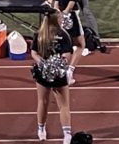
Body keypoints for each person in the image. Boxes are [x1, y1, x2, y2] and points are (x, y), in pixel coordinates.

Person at [31, 8, 79, 144]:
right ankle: (67, 135)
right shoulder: (63, 35)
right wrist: (57, 66)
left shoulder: (39, 34)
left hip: (42, 72)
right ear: (56, 19)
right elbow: (67, 56)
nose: (62, 19)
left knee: (42, 102)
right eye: (60, 18)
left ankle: (41, 130)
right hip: (59, 74)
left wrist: (43, 63)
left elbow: (34, 53)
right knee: (63, 105)